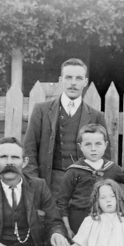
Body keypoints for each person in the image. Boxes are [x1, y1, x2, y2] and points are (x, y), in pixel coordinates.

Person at [23, 58, 110, 199]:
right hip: (49, 185)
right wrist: (34, 183)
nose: (73, 83)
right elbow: (30, 150)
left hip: (83, 187)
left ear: (85, 82)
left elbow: (104, 157)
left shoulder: (96, 116)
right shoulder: (42, 110)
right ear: (60, 80)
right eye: (68, 77)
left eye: (78, 78)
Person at [57, 123, 124, 240]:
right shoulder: (74, 171)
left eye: (98, 144)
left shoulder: (112, 168)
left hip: (107, 219)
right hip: (80, 220)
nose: (93, 148)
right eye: (88, 144)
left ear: (105, 145)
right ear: (80, 146)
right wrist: (67, 228)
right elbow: (62, 202)